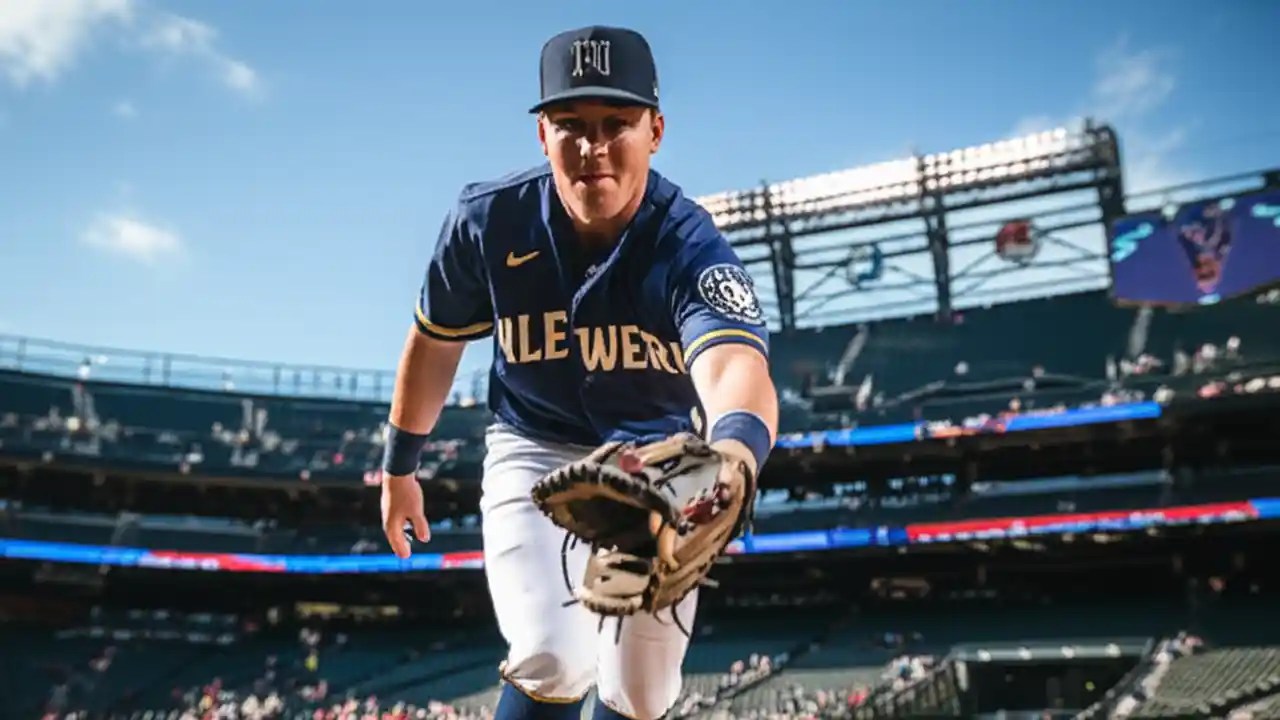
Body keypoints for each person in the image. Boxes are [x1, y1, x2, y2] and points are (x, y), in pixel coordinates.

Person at [379, 25, 778, 720]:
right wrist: (399, 466)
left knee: (642, 692)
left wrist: (733, 461)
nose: (593, 146)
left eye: (616, 123)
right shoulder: (488, 222)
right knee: (551, 653)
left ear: (655, 131)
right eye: (570, 124)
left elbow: (735, 366)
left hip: (654, 466)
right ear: (542, 134)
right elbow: (435, 341)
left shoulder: (687, 243)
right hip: (533, 448)